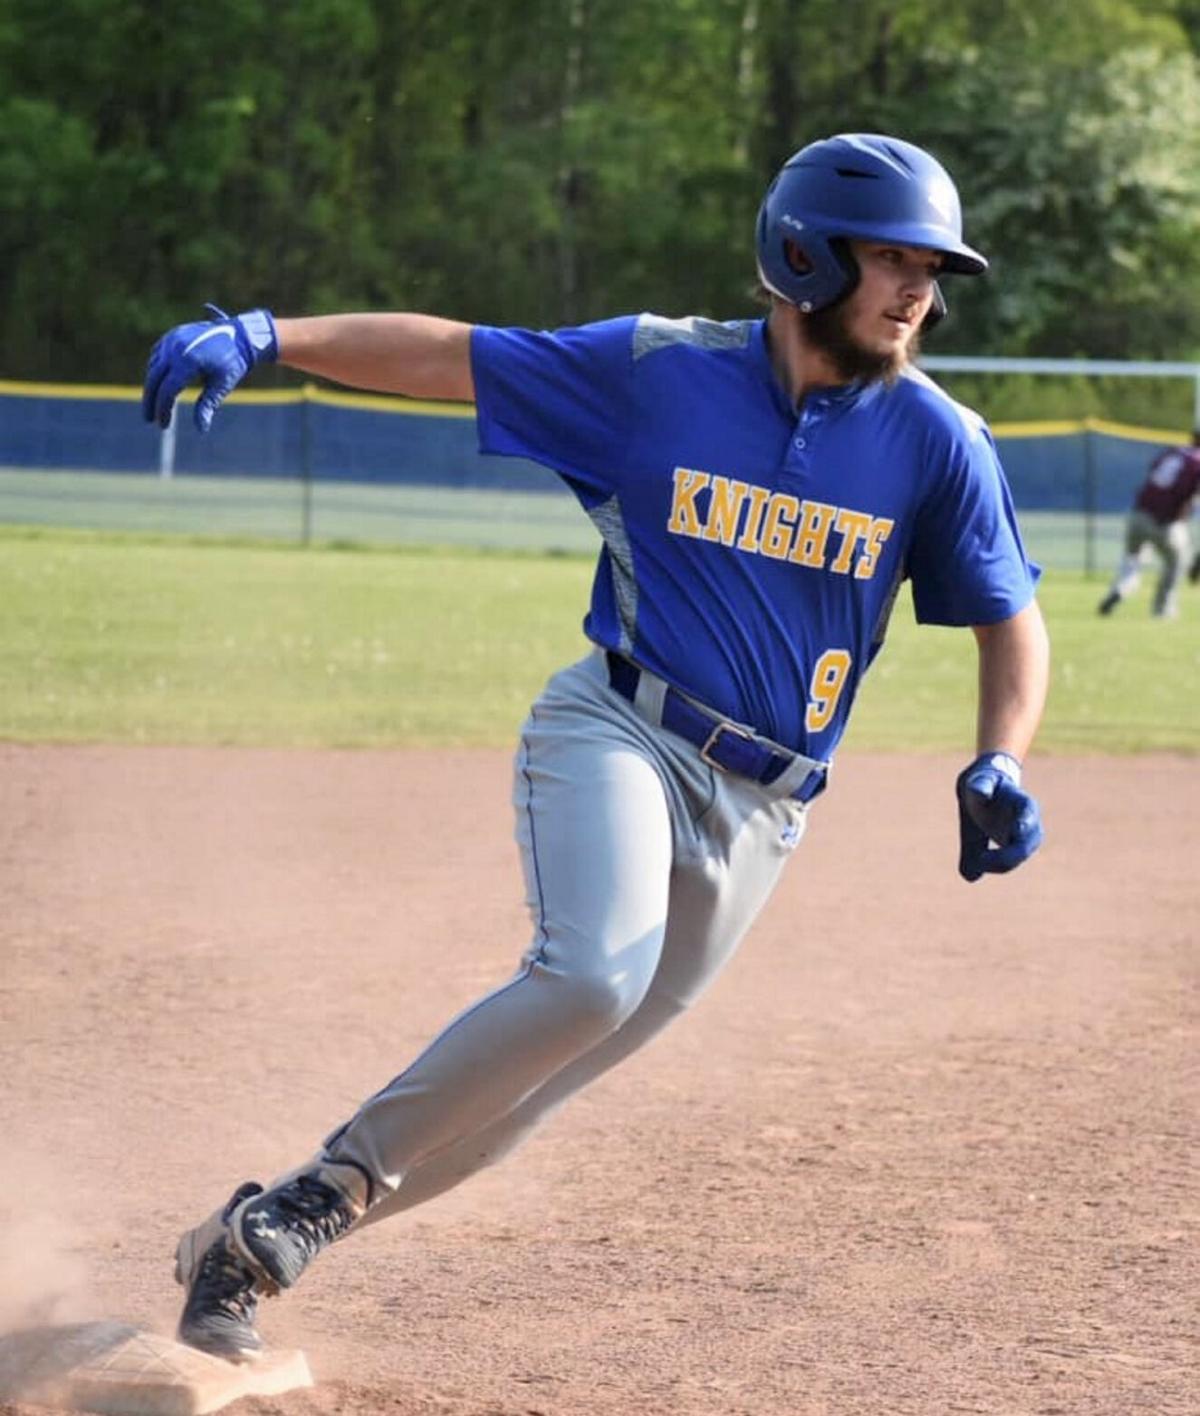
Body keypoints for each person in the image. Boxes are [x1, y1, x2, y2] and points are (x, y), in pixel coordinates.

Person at [142, 133, 1049, 1364]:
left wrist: (1003, 758)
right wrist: (267, 334)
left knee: (521, 1102)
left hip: (766, 814)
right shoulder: (654, 373)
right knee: (588, 979)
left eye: (931, 268)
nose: (918, 292)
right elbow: (454, 356)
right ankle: (302, 1211)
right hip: (620, 726)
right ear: (804, 254)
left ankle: (253, 1242)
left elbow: (1013, 622)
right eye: (891, 258)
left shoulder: (939, 441)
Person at [1097, 431, 1200, 618]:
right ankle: (1163, 608)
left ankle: (1120, 589)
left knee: (1131, 562)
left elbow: (1154, 471)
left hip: (1139, 514)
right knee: (1176, 563)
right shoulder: (1197, 462)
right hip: (1165, 522)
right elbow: (1187, 493)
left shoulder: (1174, 452)